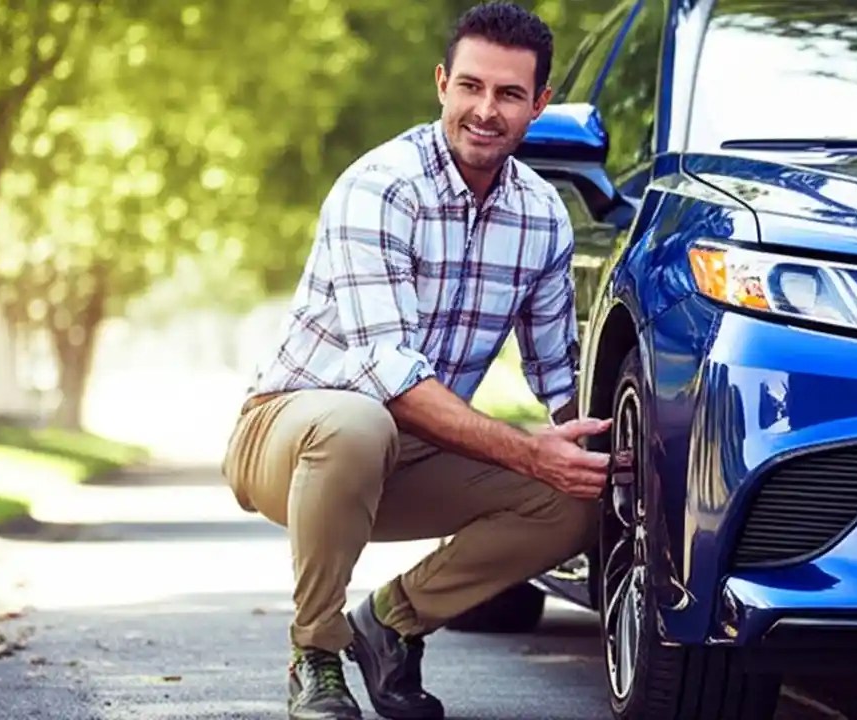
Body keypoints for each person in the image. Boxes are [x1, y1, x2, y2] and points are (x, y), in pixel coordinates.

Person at [221, 3, 611, 718]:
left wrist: (591, 454)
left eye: (509, 94)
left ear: (541, 105)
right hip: (291, 433)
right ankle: (315, 652)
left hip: (410, 449)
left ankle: (392, 623)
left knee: (576, 502)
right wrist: (529, 453)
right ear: (442, 84)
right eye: (470, 87)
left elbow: (559, 375)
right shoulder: (382, 186)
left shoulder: (543, 217)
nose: (485, 110)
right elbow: (389, 378)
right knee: (357, 422)